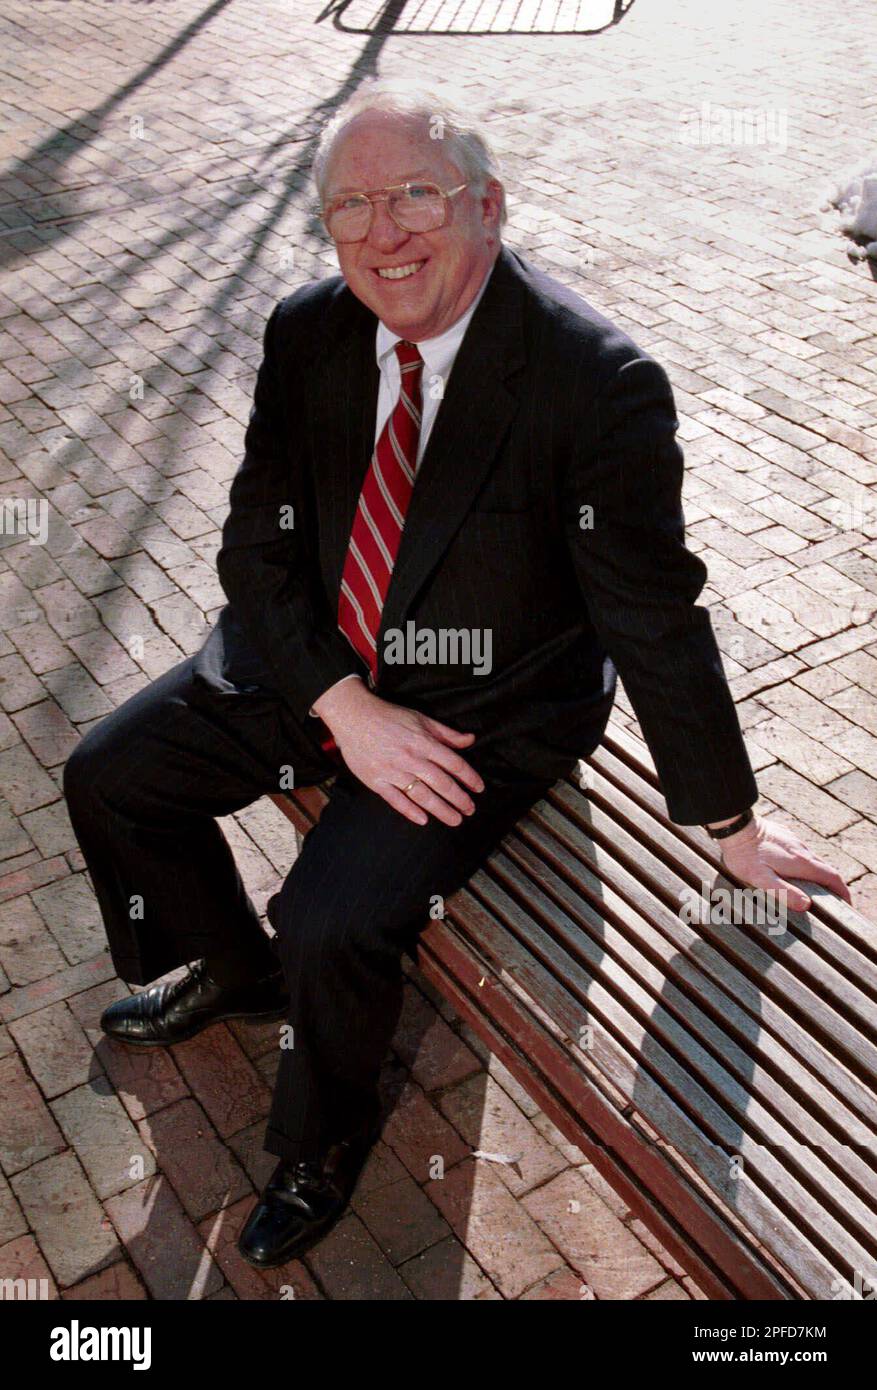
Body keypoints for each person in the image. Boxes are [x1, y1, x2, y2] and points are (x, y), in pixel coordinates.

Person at [63, 79, 851, 1269]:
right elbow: (255, 545)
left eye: (417, 196)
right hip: (320, 664)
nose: (384, 233)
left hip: (483, 707)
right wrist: (338, 700)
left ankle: (320, 1144)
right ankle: (235, 969)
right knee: (108, 774)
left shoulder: (595, 381)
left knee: (332, 914)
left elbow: (653, 616)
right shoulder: (307, 330)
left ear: (488, 203)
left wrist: (730, 826)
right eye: (351, 206)